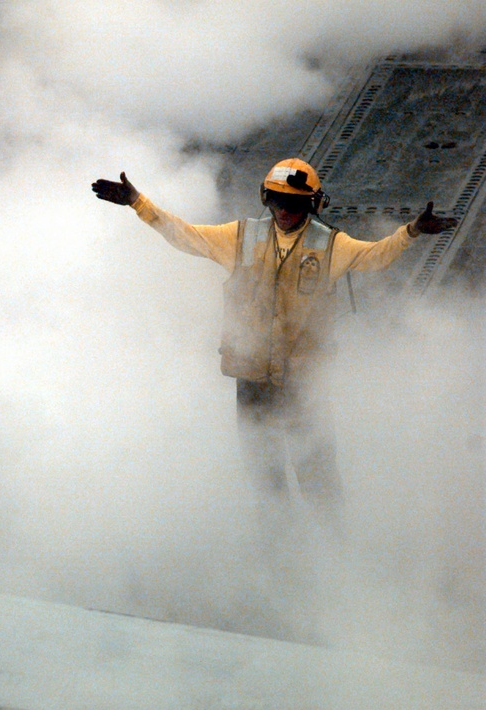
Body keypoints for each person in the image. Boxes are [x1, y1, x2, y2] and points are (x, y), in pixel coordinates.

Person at [92, 159, 456, 532]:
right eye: (278, 201)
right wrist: (138, 202)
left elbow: (374, 255)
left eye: (295, 204)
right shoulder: (241, 237)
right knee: (263, 474)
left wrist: (411, 232)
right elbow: (184, 235)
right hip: (252, 379)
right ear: (266, 199)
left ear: (312, 205)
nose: (285, 211)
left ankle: (333, 549)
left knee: (316, 475)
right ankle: (280, 555)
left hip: (303, 382)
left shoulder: (330, 245)